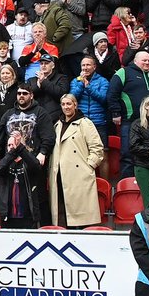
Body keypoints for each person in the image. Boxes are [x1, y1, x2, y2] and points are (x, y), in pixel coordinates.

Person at [50, 93, 105, 228]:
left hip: (79, 175)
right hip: (59, 174)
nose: (66, 107)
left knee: (80, 217)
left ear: (75, 105)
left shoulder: (85, 123)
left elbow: (97, 148)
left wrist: (88, 166)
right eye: (63, 104)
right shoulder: (57, 124)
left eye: (69, 104)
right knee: (62, 211)